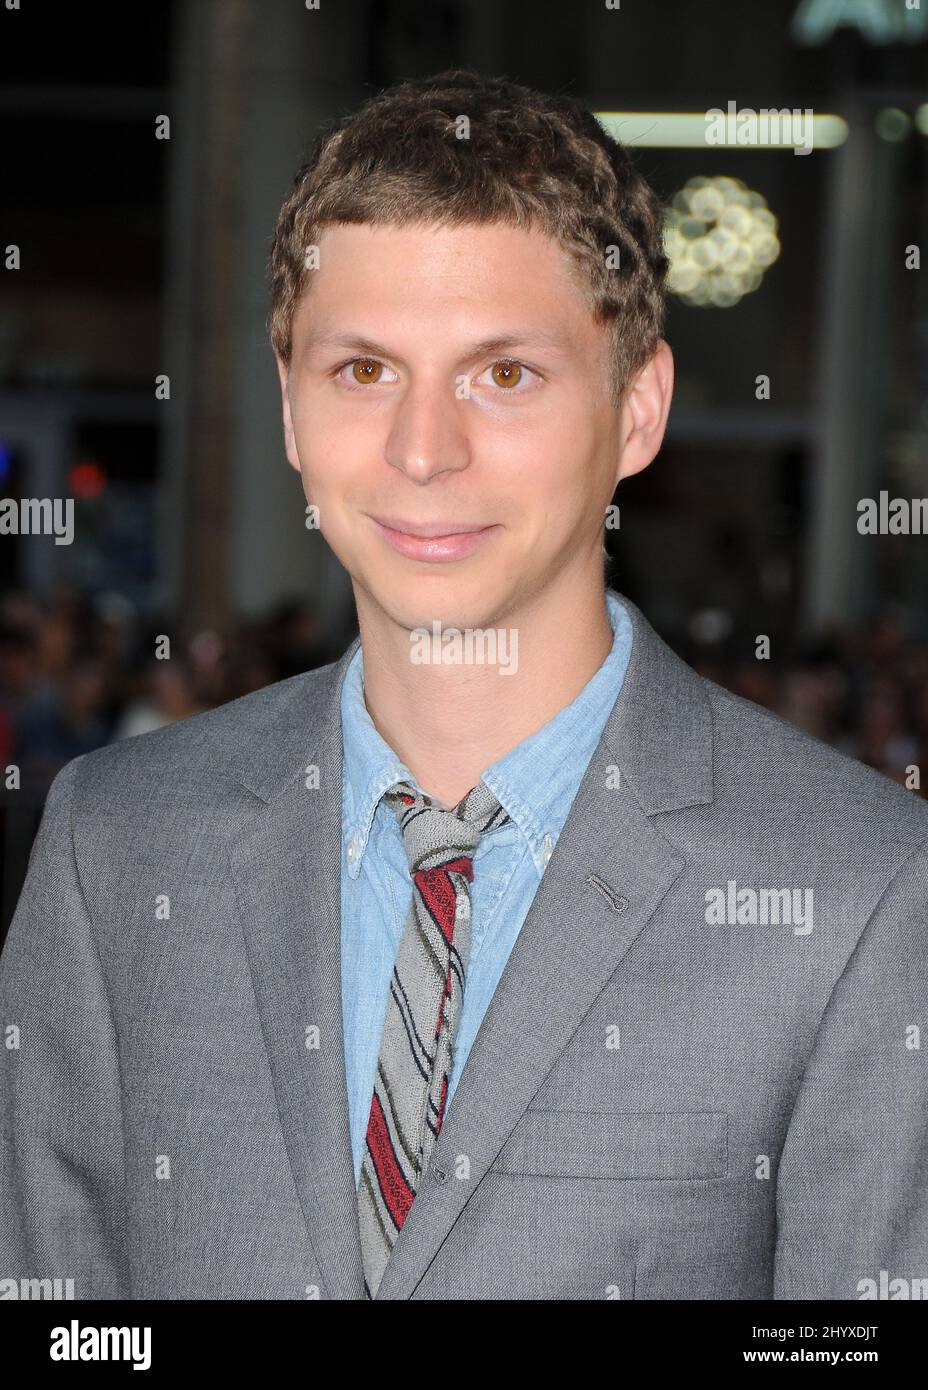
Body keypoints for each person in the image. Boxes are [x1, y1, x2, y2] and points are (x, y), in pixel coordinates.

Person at [2, 69, 926, 1302]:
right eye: (364, 371)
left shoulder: (858, 887)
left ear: (636, 409)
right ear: (288, 410)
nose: (422, 451)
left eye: (504, 375)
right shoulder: (114, 845)